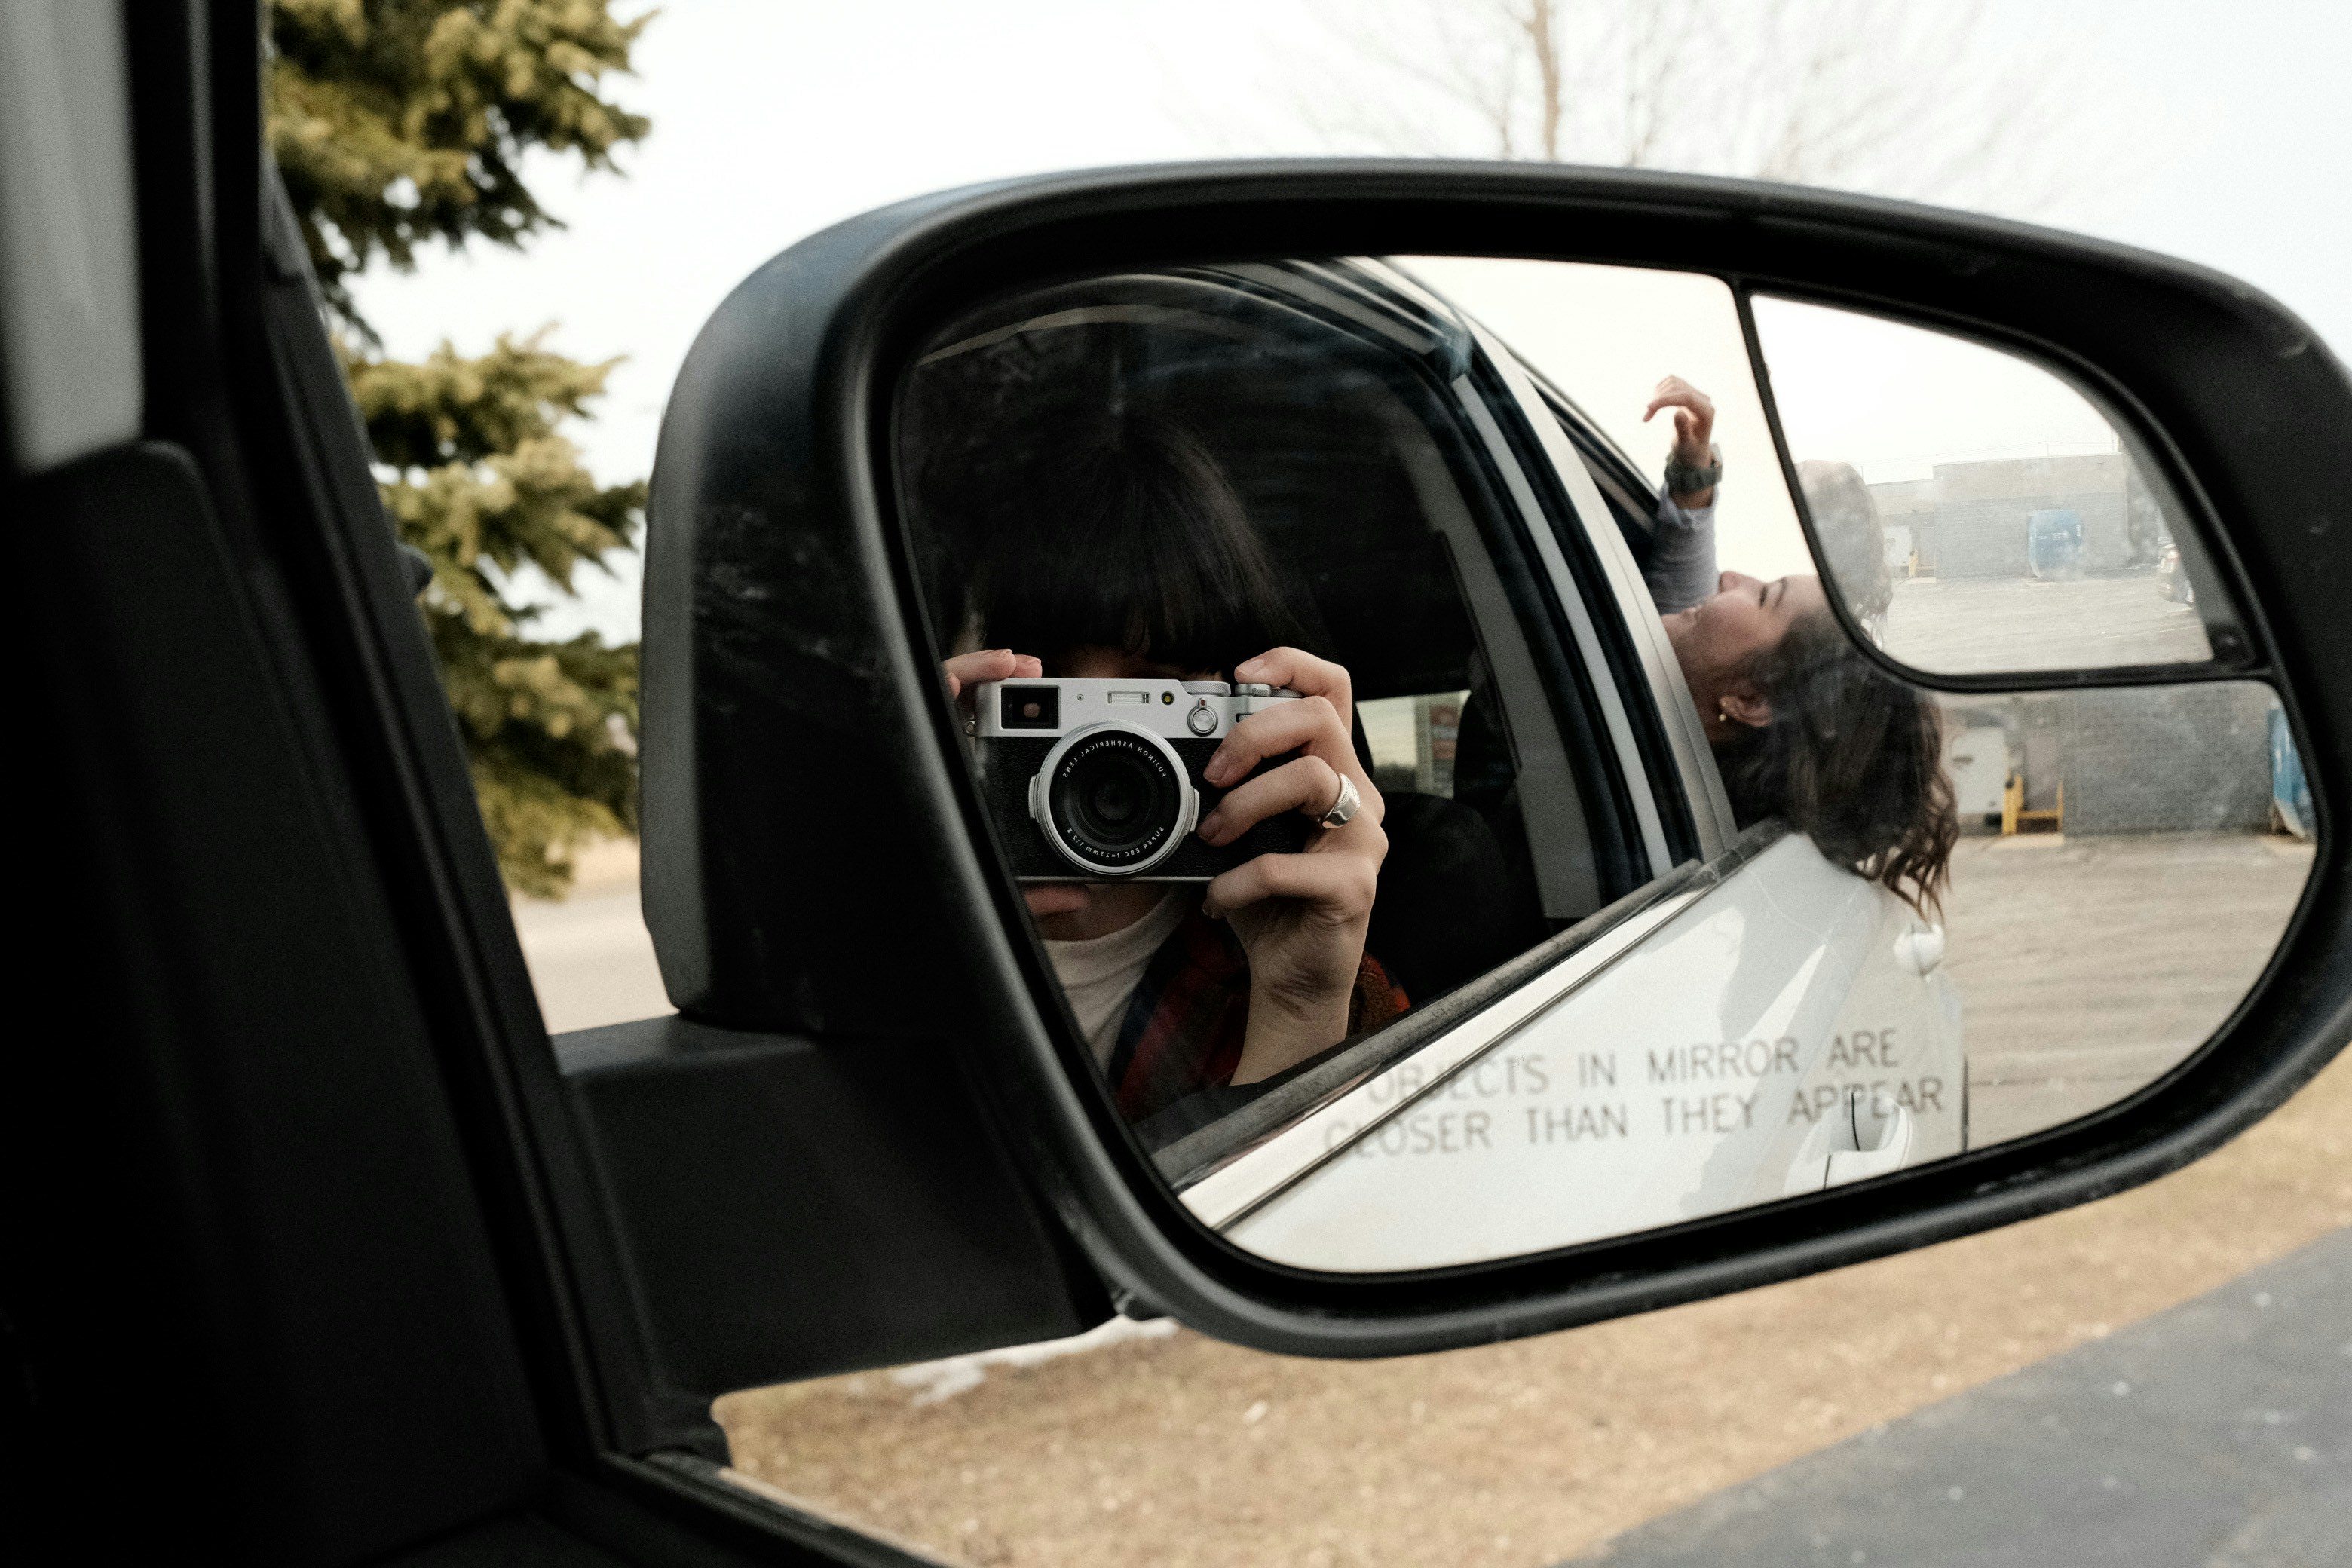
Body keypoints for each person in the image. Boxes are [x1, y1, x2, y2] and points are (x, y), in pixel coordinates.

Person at [939, 418, 1401, 1129]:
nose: (1092, 743)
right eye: (1042, 697)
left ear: (1239, 714)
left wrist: (1300, 1007)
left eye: (1153, 695)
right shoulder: (870, 919)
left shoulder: (1292, 966)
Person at [1641, 377, 1956, 914]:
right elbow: (1692, 615)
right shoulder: (1682, 751)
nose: (1728, 578)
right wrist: (1694, 476)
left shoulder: (1647, 805)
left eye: (1765, 595)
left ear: (1751, 701)